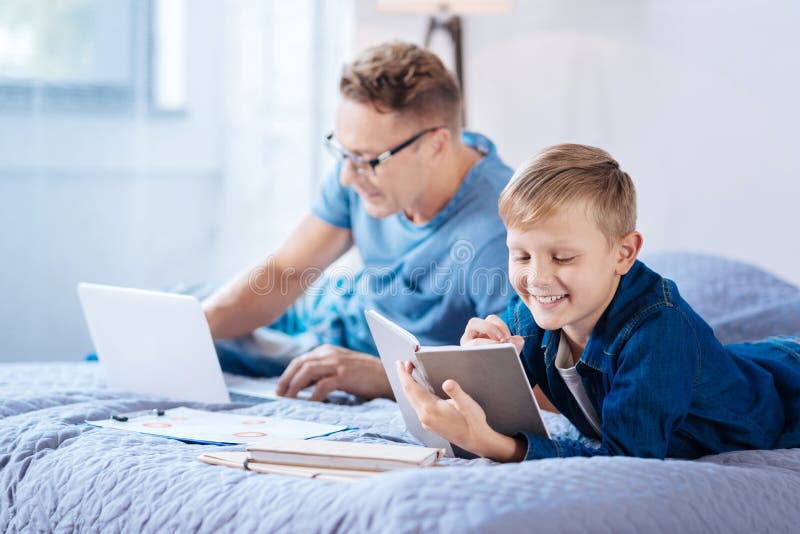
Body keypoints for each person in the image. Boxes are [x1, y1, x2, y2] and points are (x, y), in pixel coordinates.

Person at [397, 143, 800, 461]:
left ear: (624, 254)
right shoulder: (532, 315)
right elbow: (495, 410)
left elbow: (628, 461)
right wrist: (480, 366)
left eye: (563, 257)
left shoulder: (658, 331)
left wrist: (500, 448)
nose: (536, 278)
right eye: (521, 256)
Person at [202, 42, 514, 401]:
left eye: (368, 159)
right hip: (320, 317)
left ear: (436, 145)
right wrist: (198, 325)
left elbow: (517, 383)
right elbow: (284, 275)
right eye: (343, 153)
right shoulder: (364, 174)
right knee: (177, 311)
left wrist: (386, 377)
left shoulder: (500, 232)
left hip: (343, 353)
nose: (348, 177)